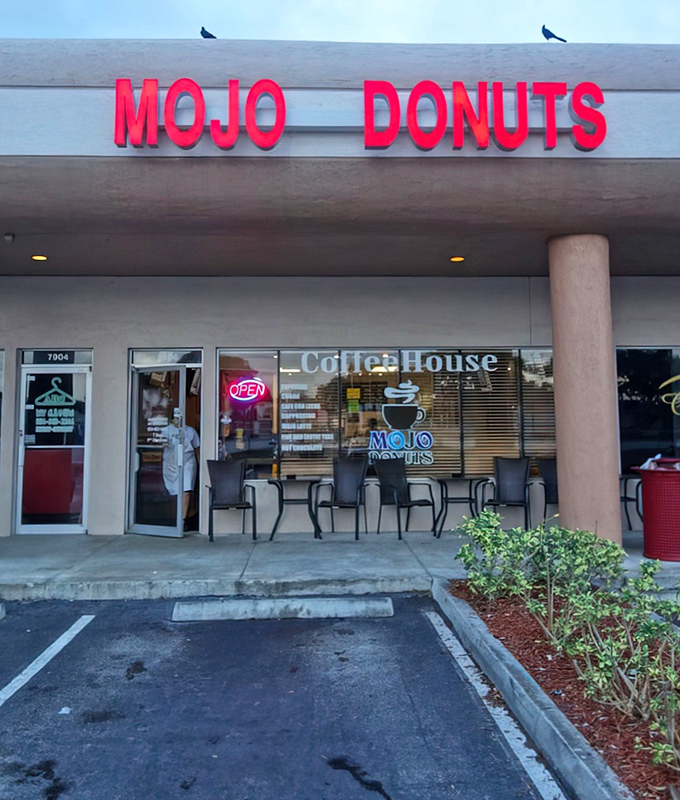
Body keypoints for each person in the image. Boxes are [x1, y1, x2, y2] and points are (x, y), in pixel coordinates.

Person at [162, 419, 200, 526]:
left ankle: (182, 521)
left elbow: (197, 448)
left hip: (188, 463)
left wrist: (200, 464)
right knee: (174, 491)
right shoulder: (165, 431)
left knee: (186, 491)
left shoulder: (190, 431)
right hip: (171, 464)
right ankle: (173, 519)